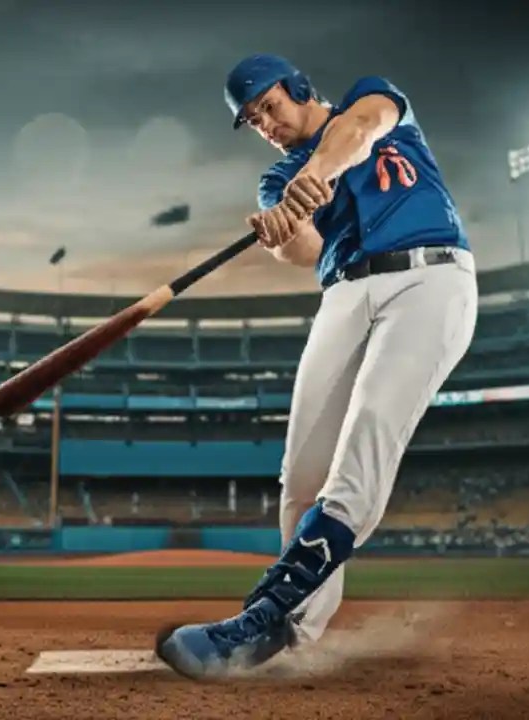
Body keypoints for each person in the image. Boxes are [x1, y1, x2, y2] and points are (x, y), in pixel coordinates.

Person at [156, 53, 479, 679]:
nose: (265, 124)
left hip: (428, 277)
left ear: (299, 86)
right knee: (301, 476)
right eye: (253, 120)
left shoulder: (371, 96)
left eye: (269, 106)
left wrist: (318, 174)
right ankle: (296, 633)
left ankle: (262, 617)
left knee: (365, 440)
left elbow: (359, 130)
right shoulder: (277, 179)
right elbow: (305, 251)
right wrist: (284, 224)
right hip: (344, 293)